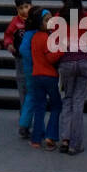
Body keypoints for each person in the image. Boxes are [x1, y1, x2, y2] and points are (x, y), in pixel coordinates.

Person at [55, 0, 87, 155]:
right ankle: (75, 143)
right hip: (84, 62)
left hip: (66, 63)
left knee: (68, 100)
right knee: (78, 103)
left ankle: (64, 139)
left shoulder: (58, 17)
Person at [29, 11, 64, 150]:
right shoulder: (46, 38)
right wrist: (62, 48)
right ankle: (51, 136)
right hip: (49, 76)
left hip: (36, 75)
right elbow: (51, 58)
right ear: (39, 23)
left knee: (40, 107)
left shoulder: (34, 37)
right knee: (56, 106)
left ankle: (36, 139)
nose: (50, 22)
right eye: (46, 20)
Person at [1, 0, 34, 138]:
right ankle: (24, 121)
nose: (24, 10)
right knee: (24, 90)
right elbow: (7, 35)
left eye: (26, 7)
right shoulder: (15, 23)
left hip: (35, 61)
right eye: (21, 8)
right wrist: (8, 45)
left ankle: (26, 119)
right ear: (16, 8)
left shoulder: (35, 20)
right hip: (21, 60)